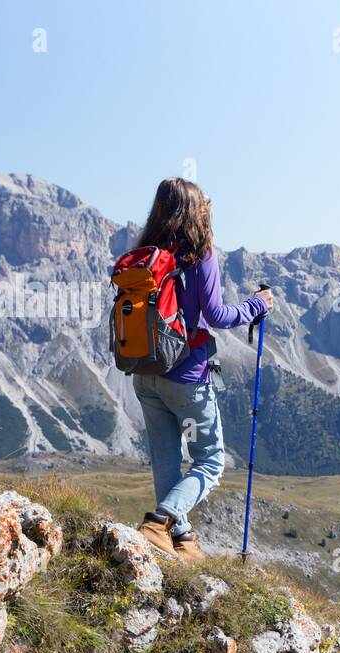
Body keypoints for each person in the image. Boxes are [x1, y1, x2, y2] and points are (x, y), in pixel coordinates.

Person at [131, 178, 273, 560]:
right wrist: (257, 305)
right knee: (210, 460)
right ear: (197, 212)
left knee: (165, 458)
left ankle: (183, 539)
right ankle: (160, 522)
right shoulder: (199, 254)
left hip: (144, 372)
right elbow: (218, 315)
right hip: (186, 376)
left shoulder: (145, 252)